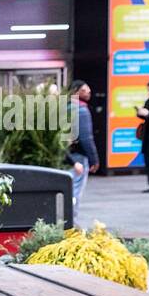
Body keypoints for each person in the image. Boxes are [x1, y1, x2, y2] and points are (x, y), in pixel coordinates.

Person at [67, 80, 99, 212]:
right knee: (75, 190)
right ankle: (71, 223)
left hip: (66, 156)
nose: (88, 93)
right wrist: (94, 159)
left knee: (66, 189)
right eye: (85, 90)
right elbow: (86, 137)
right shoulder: (81, 110)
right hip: (78, 156)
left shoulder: (62, 107)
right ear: (76, 91)